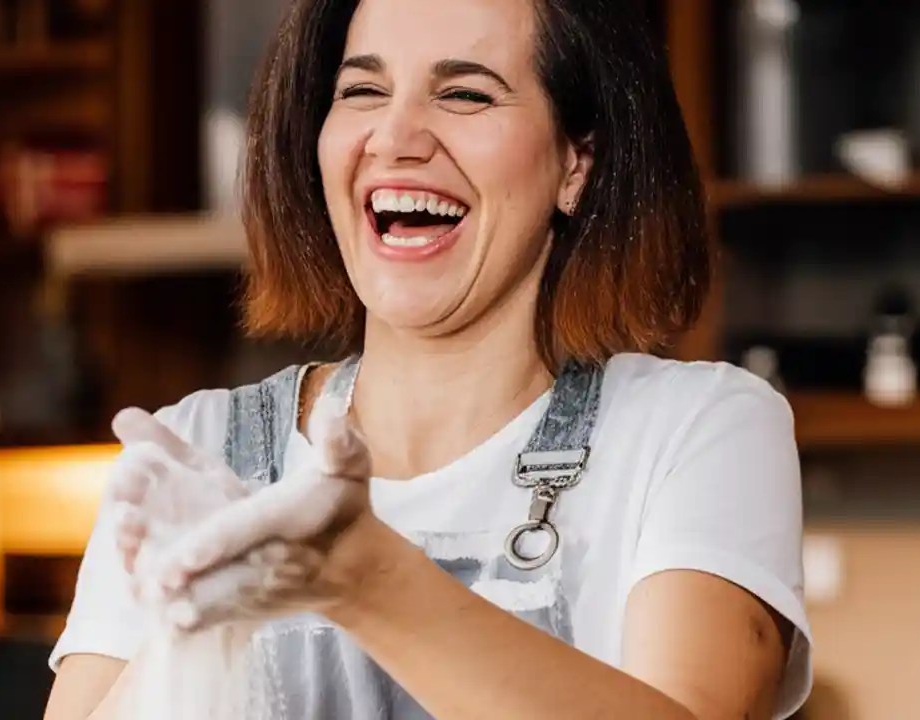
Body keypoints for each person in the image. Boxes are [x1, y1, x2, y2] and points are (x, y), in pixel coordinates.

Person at [44, 0, 812, 717]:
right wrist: (185, 625)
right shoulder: (194, 454)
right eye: (363, 91)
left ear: (576, 162)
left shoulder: (696, 431)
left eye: (466, 95)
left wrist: (367, 578)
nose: (396, 138)